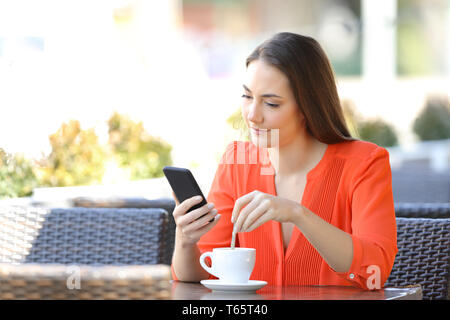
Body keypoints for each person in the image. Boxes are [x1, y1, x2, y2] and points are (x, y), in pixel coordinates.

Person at [170, 32, 397, 290]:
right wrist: (186, 241)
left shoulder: (364, 163)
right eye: (247, 97)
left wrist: (297, 214)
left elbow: (375, 271)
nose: (253, 116)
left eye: (271, 104)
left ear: (307, 107)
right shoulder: (238, 162)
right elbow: (202, 275)